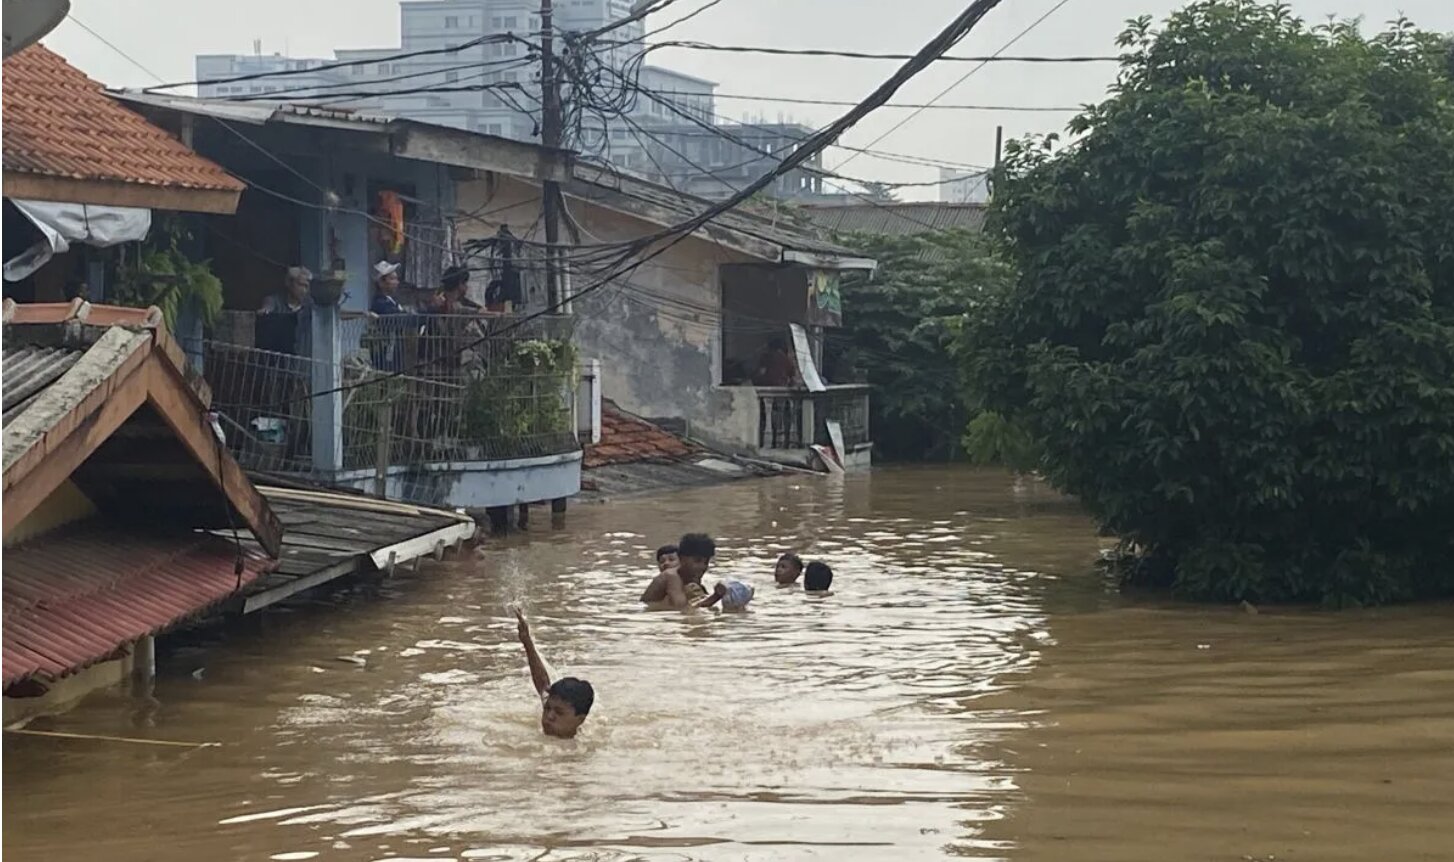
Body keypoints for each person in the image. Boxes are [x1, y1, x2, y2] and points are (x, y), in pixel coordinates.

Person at [514, 608, 594, 739]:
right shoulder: (552, 703)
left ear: (580, 720)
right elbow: (543, 683)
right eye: (547, 709)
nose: (549, 717)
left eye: (559, 713)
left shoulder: (583, 748)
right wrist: (527, 643)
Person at [640, 533, 715, 609]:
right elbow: (681, 608)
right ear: (681, 558)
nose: (702, 566)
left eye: (706, 562)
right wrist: (714, 597)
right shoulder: (671, 576)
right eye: (697, 561)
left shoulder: (693, 578)